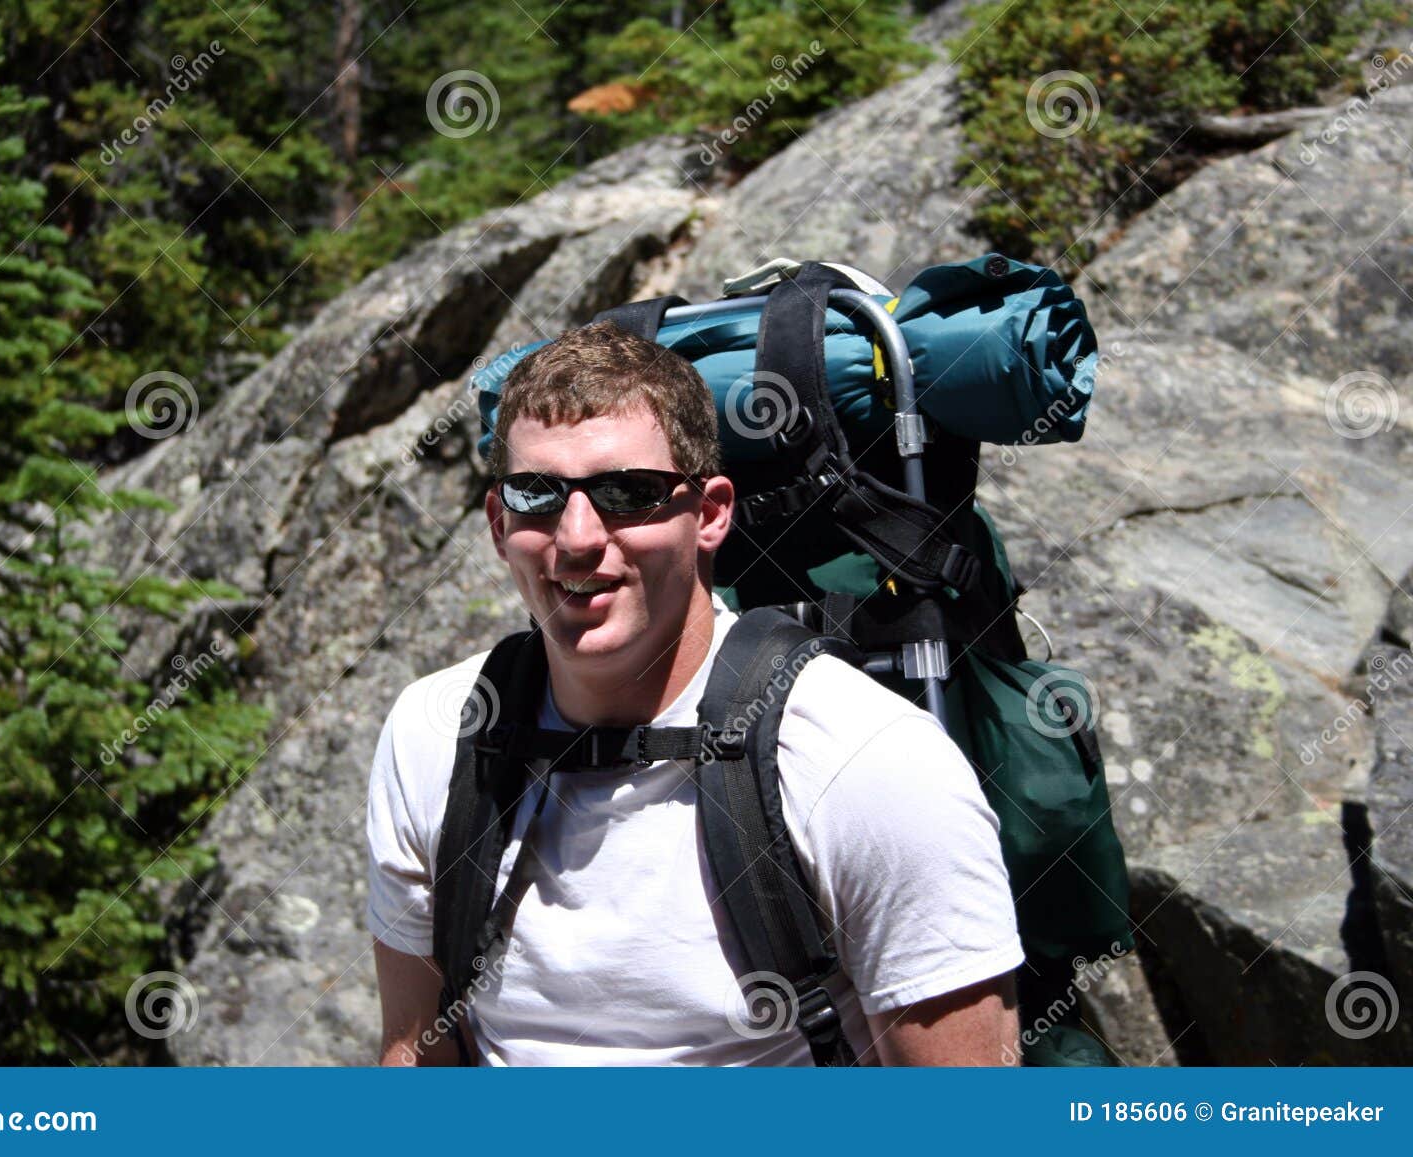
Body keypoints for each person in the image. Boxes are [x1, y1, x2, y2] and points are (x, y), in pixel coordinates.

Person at [366, 321, 1024, 1066]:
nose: (577, 536)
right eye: (537, 492)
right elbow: (414, 1050)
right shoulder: (436, 734)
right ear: (498, 521)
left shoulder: (865, 760)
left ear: (710, 513)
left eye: (626, 493)